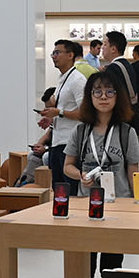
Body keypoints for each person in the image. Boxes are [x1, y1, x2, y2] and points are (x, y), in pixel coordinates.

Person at [63, 72, 139, 278]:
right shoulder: (80, 132)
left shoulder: (127, 132)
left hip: (118, 206)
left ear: (118, 97)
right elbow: (67, 166)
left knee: (112, 269)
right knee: (85, 266)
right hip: (87, 207)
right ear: (89, 96)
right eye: (97, 92)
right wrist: (80, 175)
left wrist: (138, 204)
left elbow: (133, 172)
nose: (103, 97)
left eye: (109, 91)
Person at [44, 39, 89, 187]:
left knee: (71, 190)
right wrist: (51, 117)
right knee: (59, 190)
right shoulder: (63, 79)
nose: (54, 56)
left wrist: (59, 112)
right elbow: (61, 108)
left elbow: (84, 113)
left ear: (70, 55)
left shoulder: (77, 80)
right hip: (57, 141)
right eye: (53, 53)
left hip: (70, 143)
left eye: (57, 53)